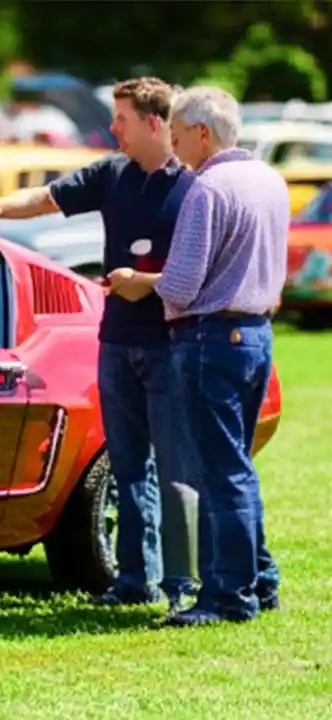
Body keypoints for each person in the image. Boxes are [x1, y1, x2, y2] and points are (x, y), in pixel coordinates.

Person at [0, 77, 199, 613]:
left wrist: (146, 282)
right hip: (117, 342)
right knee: (130, 466)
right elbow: (44, 198)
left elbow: (204, 274)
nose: (113, 130)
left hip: (173, 347)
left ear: (154, 123)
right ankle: (137, 581)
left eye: (122, 121)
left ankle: (186, 585)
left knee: (179, 467)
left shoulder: (194, 186)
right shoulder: (112, 174)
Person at [106, 85, 284, 625]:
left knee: (218, 472)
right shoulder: (269, 181)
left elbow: (181, 285)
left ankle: (228, 596)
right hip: (256, 334)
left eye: (180, 136)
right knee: (238, 468)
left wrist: (138, 282)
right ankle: (260, 579)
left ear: (203, 133)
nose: (177, 149)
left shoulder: (208, 189)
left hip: (209, 340)